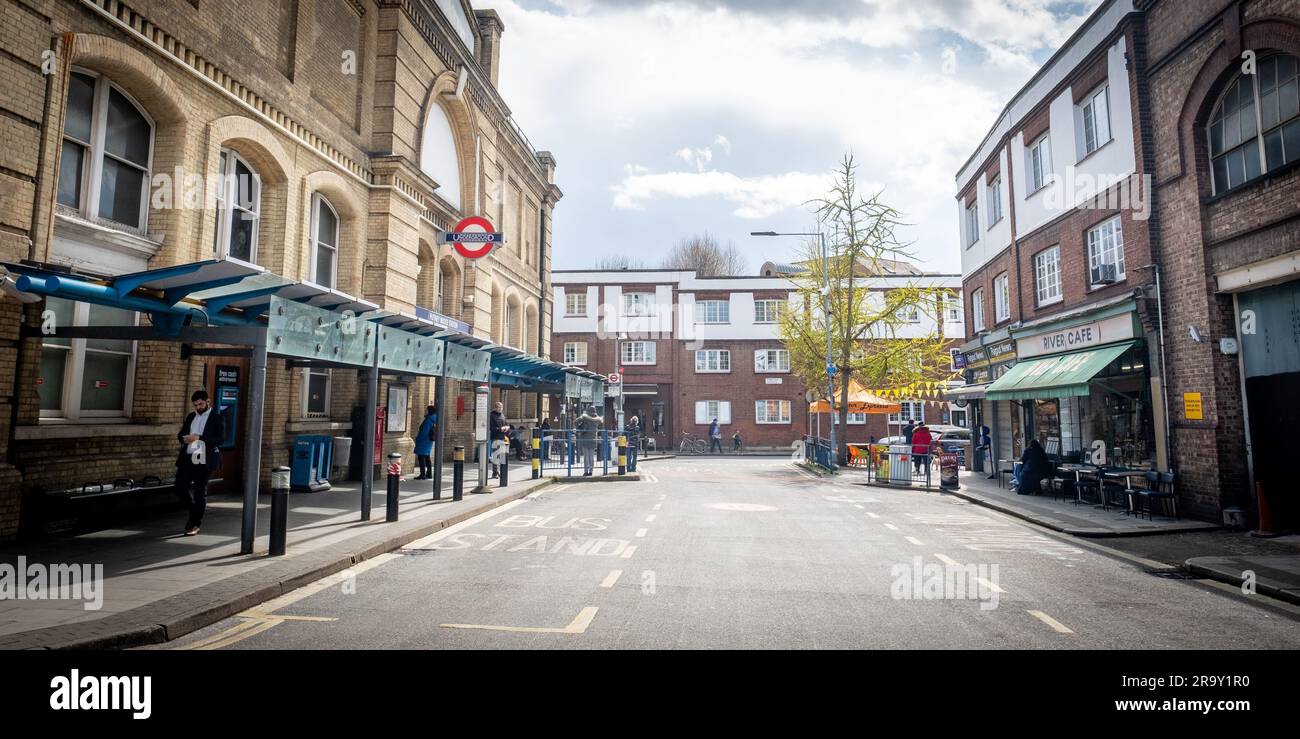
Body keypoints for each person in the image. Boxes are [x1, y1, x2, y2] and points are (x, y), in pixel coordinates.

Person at [174, 390, 225, 536]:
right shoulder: (191, 416)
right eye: (195, 405)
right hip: (188, 457)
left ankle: (195, 524)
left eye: (200, 404)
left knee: (199, 492)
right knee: (179, 488)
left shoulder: (217, 418)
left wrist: (199, 438)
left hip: (204, 458)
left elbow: (220, 440)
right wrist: (183, 438)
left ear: (208, 402)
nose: (198, 407)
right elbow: (181, 434)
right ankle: (193, 510)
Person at [576, 406, 603, 476]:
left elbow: (576, 421)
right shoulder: (598, 419)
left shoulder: (584, 417)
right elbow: (602, 425)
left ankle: (586, 471)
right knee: (591, 456)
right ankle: (591, 471)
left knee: (586, 456)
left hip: (585, 438)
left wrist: (579, 428)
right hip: (594, 439)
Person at [414, 405, 437, 480]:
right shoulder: (433, 419)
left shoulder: (428, 420)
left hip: (424, 441)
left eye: (426, 410)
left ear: (429, 411)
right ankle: (429, 473)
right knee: (427, 457)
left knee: (421, 457)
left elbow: (424, 432)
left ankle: (423, 474)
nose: (425, 411)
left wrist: (418, 439)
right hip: (428, 441)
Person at [489, 402, 509, 479]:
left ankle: (501, 472)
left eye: (501, 407)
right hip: (496, 437)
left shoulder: (503, 416)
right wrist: (500, 429)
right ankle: (495, 473)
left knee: (502, 456)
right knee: (496, 456)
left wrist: (507, 427)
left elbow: (507, 424)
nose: (500, 409)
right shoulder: (492, 416)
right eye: (498, 407)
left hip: (503, 438)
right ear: (495, 407)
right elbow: (492, 428)